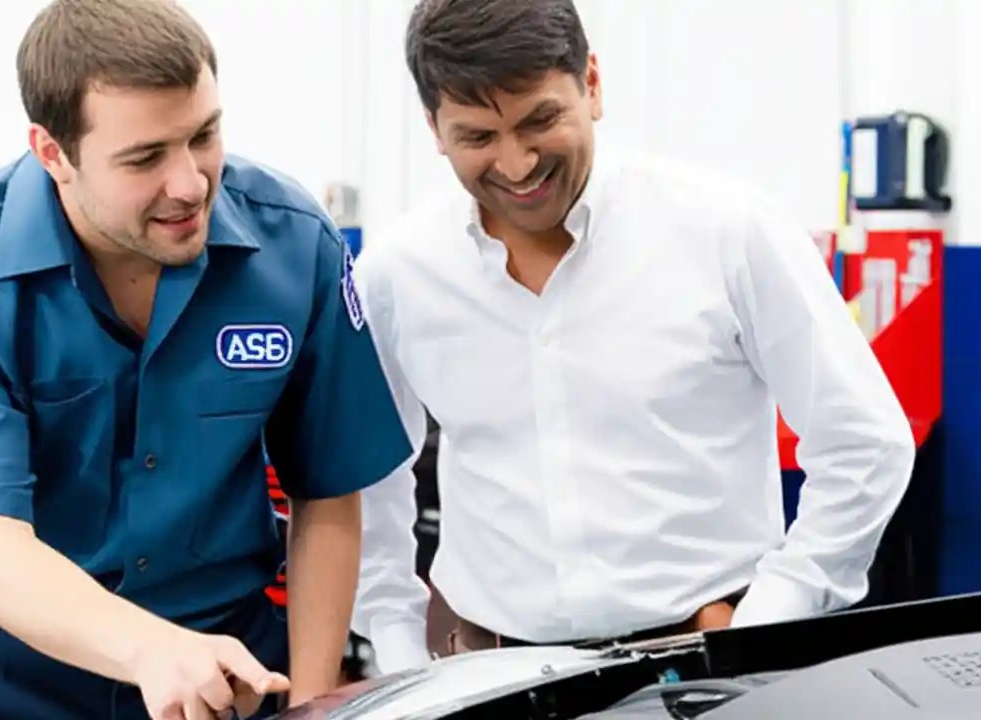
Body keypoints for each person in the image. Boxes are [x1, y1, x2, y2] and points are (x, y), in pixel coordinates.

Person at [350, 0, 916, 674]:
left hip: (711, 669)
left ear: (591, 83)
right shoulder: (398, 273)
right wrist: (395, 645)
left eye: (540, 120)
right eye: (478, 137)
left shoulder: (727, 232)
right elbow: (365, 479)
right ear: (434, 128)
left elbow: (865, 443)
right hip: (488, 676)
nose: (517, 162)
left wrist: (770, 617)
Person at [0, 1, 413, 717]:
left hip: (222, 663)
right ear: (53, 154)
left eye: (204, 136)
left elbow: (327, 492)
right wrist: (149, 649)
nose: (190, 183)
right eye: (144, 158)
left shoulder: (296, 249)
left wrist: (313, 705)